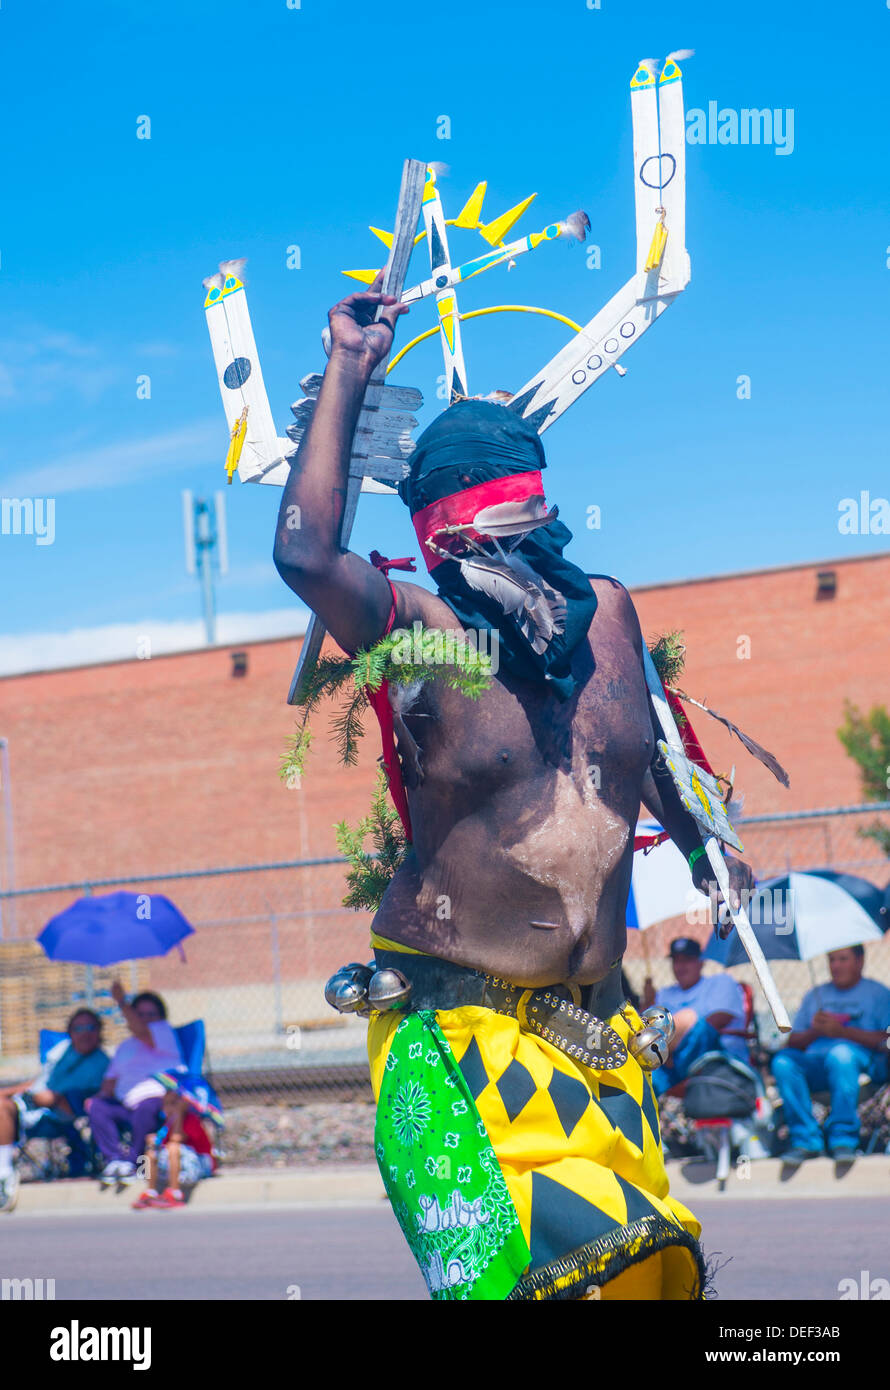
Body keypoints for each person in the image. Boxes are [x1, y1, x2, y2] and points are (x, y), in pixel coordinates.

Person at [271, 281, 756, 1301]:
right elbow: (305, 552)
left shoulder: (610, 614)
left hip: (592, 1030)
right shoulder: (417, 630)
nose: (513, 550)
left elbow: (647, 742)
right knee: (545, 1281)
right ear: (441, 537)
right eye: (484, 527)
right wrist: (349, 370)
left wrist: (705, 839)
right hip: (455, 1034)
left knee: (650, 1278)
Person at [771, 945, 890, 1164]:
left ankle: (843, 1139)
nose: (835, 966)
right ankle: (805, 1140)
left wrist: (843, 1032)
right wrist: (816, 1030)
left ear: (860, 961)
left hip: (861, 1065)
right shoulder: (815, 995)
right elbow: (793, 1042)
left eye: (842, 959)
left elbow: (886, 1040)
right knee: (783, 1062)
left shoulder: (879, 994)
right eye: (832, 960)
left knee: (841, 1054)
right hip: (816, 1066)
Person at [0, 1008, 108, 1210]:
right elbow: (38, 1084)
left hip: (62, 1116)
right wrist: (7, 1092)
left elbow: (85, 1099)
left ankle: (4, 1177)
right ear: (70, 1031)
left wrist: (52, 1099)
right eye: (79, 1028)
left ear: (99, 1031)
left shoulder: (101, 1063)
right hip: (32, 1104)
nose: (85, 1032)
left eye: (90, 1027)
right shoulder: (61, 1051)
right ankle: (3, 1168)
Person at [86, 984, 181, 1182]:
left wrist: (121, 1001)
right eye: (140, 1014)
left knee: (145, 1108)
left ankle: (136, 1164)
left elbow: (142, 1031)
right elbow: (109, 1084)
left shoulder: (164, 1033)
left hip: (157, 1102)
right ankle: (115, 1162)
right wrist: (96, 1100)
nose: (144, 1019)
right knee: (96, 1106)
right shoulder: (125, 1047)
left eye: (150, 1014)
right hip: (125, 1105)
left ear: (161, 1017)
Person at [643, 938, 749, 1098]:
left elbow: (720, 1019)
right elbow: (646, 1030)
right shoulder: (664, 994)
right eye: (676, 961)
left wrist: (669, 1053)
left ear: (701, 962)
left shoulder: (720, 982)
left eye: (687, 960)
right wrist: (647, 1001)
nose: (681, 966)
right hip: (668, 1061)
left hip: (713, 1054)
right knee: (647, 1081)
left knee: (696, 1024)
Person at [131, 1092, 216, 1210]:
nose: (169, 1108)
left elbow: (177, 1138)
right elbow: (161, 1143)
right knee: (151, 1150)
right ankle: (151, 1192)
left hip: (200, 1165)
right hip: (180, 1166)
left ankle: (175, 1193)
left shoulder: (191, 1119)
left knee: (173, 1147)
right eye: (166, 1104)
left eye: (173, 1104)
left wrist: (178, 1115)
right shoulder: (166, 1123)